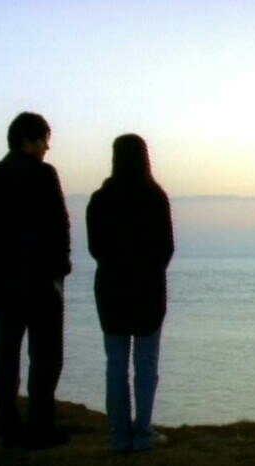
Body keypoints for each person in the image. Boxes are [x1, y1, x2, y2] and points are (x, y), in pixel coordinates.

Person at [0, 112, 71, 449]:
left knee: (6, 357)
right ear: (28, 141)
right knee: (46, 358)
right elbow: (60, 225)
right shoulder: (44, 175)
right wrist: (60, 268)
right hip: (42, 282)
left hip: (4, 283)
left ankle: (8, 427)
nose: (46, 148)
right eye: (43, 140)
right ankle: (40, 427)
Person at [86, 134, 174, 453]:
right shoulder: (155, 197)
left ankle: (120, 436)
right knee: (146, 364)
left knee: (116, 366)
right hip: (148, 291)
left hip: (111, 291)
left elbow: (95, 247)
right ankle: (143, 432)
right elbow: (166, 248)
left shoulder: (100, 199)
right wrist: (148, 271)